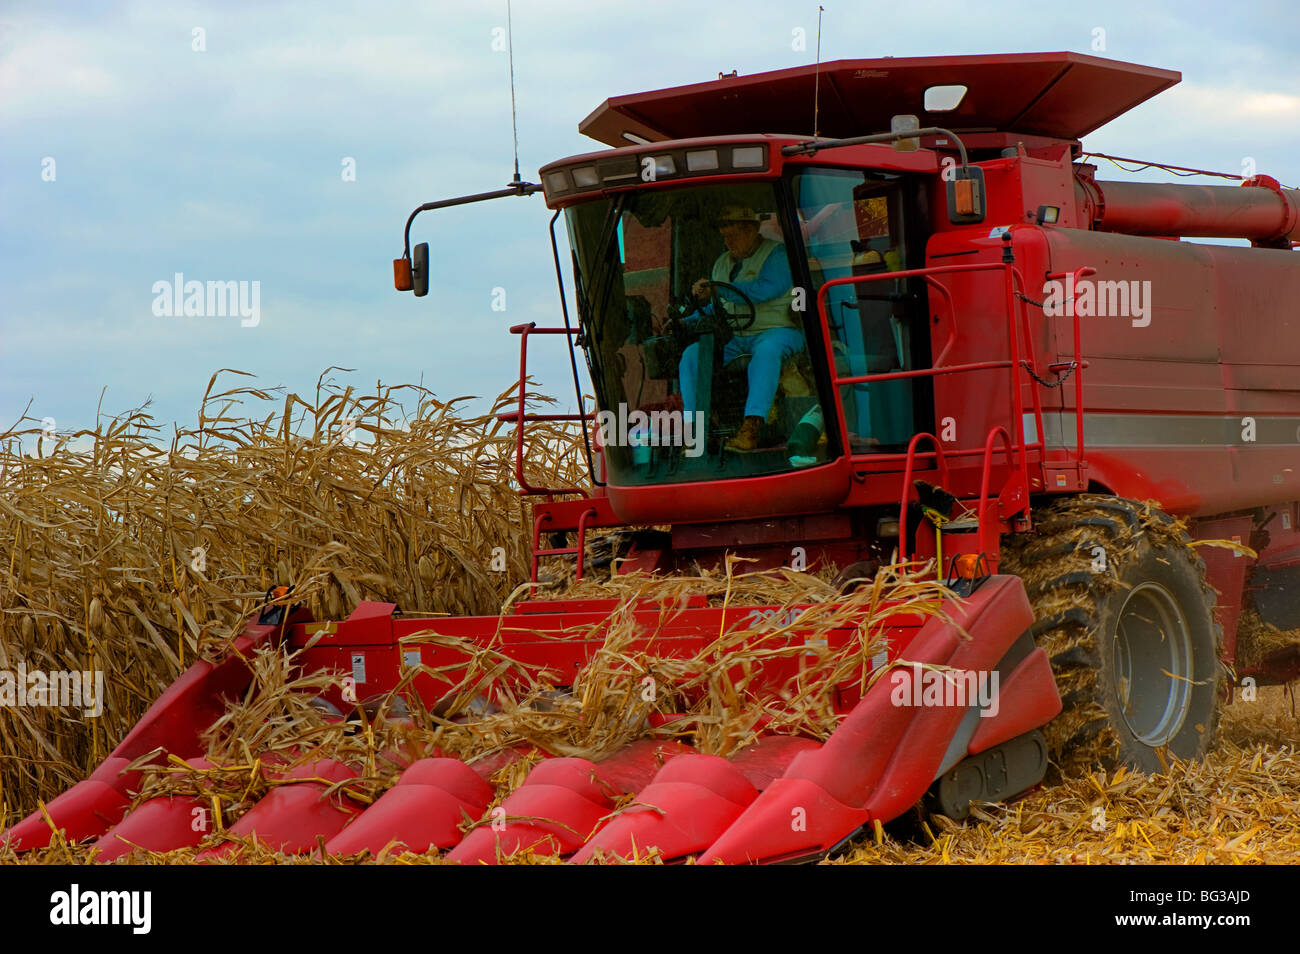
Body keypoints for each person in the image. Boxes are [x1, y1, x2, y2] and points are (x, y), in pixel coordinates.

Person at [677, 205, 804, 451]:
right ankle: (696, 429)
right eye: (724, 236)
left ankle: (751, 426)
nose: (728, 242)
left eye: (733, 235)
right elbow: (719, 307)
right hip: (736, 337)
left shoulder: (777, 255)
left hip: (779, 329)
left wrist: (719, 289)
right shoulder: (721, 264)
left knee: (767, 351)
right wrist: (686, 321)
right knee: (693, 355)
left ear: (752, 230)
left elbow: (764, 290)